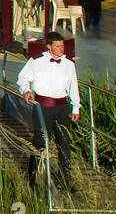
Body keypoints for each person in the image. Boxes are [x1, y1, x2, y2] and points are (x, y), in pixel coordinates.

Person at [17, 31, 81, 192]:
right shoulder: (36, 61)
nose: (61, 49)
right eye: (58, 46)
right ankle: (33, 177)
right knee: (40, 141)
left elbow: (74, 86)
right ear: (49, 47)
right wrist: (26, 90)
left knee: (64, 143)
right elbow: (22, 78)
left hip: (62, 107)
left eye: (62, 46)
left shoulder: (69, 64)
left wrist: (76, 106)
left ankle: (66, 179)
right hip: (43, 107)